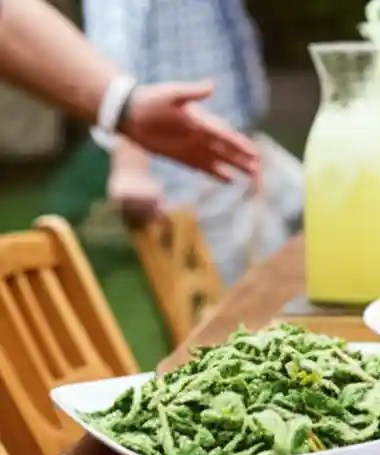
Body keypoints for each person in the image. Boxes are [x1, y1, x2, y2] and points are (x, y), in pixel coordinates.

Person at [83, 0, 302, 286]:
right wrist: (130, 163)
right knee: (246, 299)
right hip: (188, 174)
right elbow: (114, 49)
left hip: (242, 150)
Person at [0, 0, 257, 179]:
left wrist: (124, 105)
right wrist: (130, 162)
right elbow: (115, 36)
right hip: (170, 171)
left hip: (211, 137)